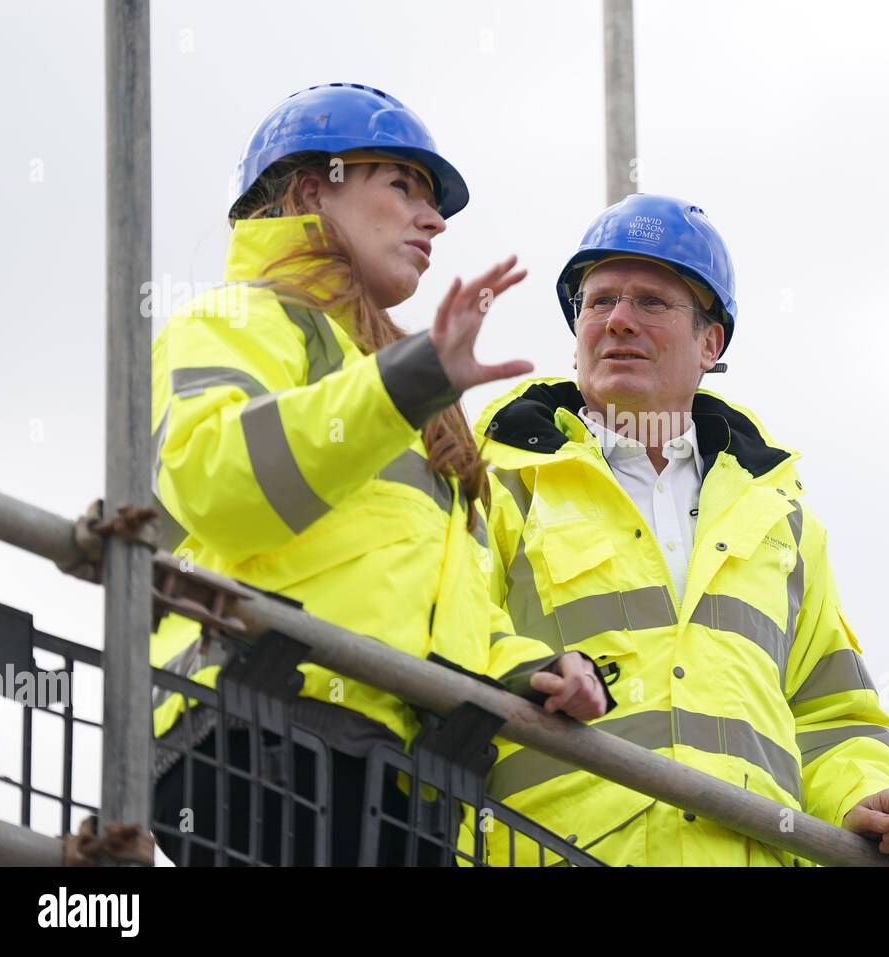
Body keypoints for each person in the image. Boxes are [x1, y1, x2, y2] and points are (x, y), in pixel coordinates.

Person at [148, 83, 609, 866]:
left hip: (402, 774)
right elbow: (219, 483)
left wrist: (530, 669)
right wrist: (401, 383)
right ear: (307, 189)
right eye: (401, 185)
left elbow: (438, 602)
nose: (433, 221)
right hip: (258, 727)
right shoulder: (238, 316)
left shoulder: (409, 385)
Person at [475, 193, 889, 866]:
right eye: (598, 301)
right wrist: (529, 670)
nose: (619, 321)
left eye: (651, 303)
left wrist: (867, 794)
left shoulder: (779, 518)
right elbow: (443, 627)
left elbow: (831, 711)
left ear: (710, 343)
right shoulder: (500, 474)